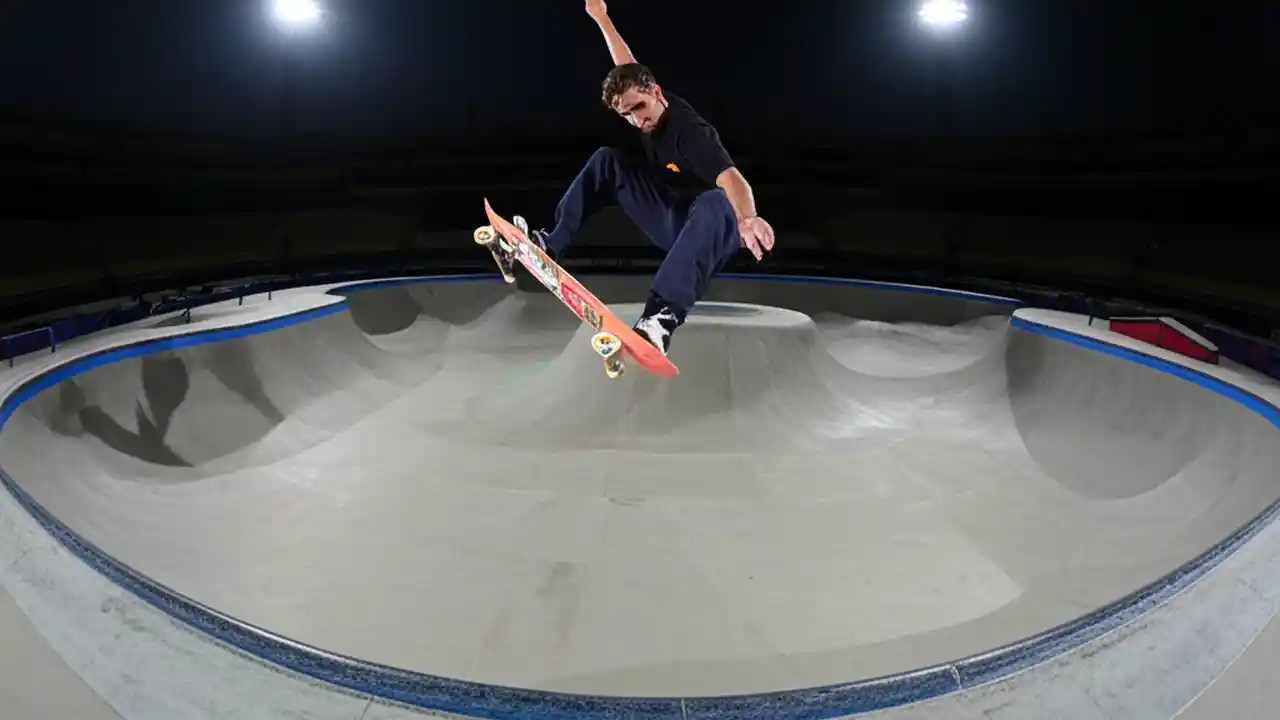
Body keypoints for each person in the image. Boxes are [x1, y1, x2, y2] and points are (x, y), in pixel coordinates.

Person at [512, 0, 776, 355]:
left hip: (713, 230)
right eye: (626, 115)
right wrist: (601, 17)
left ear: (656, 92)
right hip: (670, 217)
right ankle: (551, 244)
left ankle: (661, 317)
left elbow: (731, 178)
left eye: (640, 108)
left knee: (716, 199)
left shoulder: (690, 132)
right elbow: (626, 63)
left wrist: (748, 219)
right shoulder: (638, 90)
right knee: (607, 160)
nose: (637, 121)